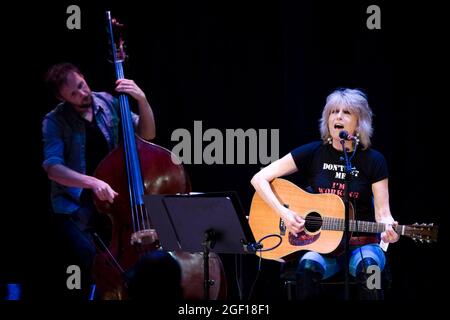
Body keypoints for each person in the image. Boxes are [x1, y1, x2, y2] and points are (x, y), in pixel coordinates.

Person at [250, 88, 399, 300]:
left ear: (359, 123)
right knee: (306, 270)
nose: (338, 116)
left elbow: (383, 214)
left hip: (362, 247)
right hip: (322, 249)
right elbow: (259, 178)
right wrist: (284, 213)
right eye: (333, 111)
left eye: (346, 112)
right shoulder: (313, 152)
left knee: (372, 274)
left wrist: (389, 230)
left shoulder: (374, 160)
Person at [42, 62, 156, 299]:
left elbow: (147, 134)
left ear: (83, 76)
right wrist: (92, 182)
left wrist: (142, 99)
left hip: (111, 201)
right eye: (73, 93)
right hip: (76, 206)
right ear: (61, 97)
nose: (83, 94)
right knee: (94, 262)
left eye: (82, 86)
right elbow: (53, 168)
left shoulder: (106, 102)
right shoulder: (54, 121)